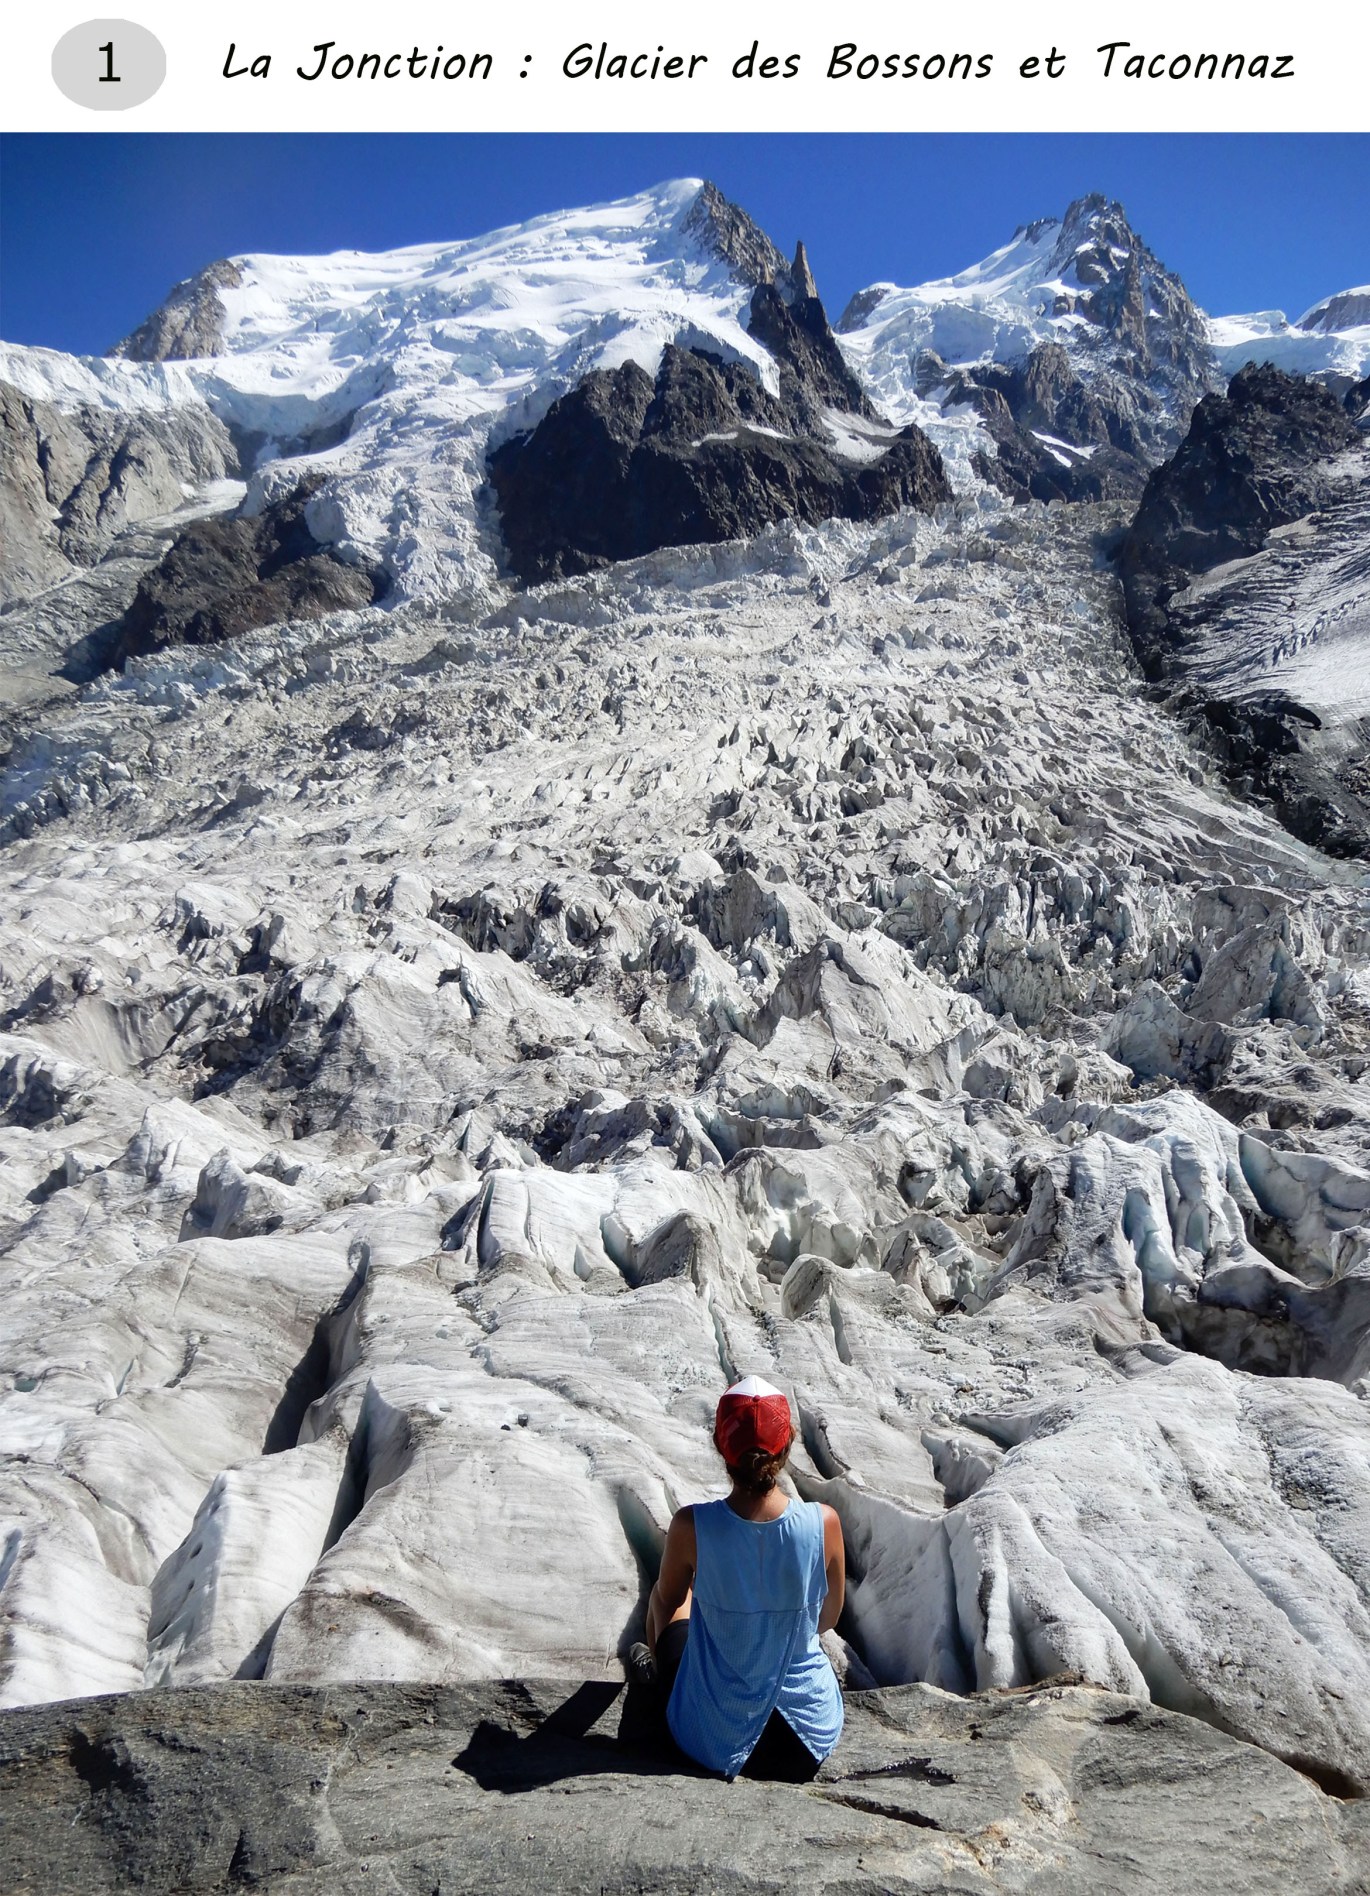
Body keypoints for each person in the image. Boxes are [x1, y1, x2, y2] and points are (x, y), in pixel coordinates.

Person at [638, 1375, 846, 1781]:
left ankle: (658, 1685)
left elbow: (666, 1601)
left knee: (671, 1600)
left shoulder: (692, 1526)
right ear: (786, 1447)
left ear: (721, 1447)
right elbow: (828, 1618)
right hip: (805, 1739)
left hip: (712, 1736)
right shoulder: (824, 1523)